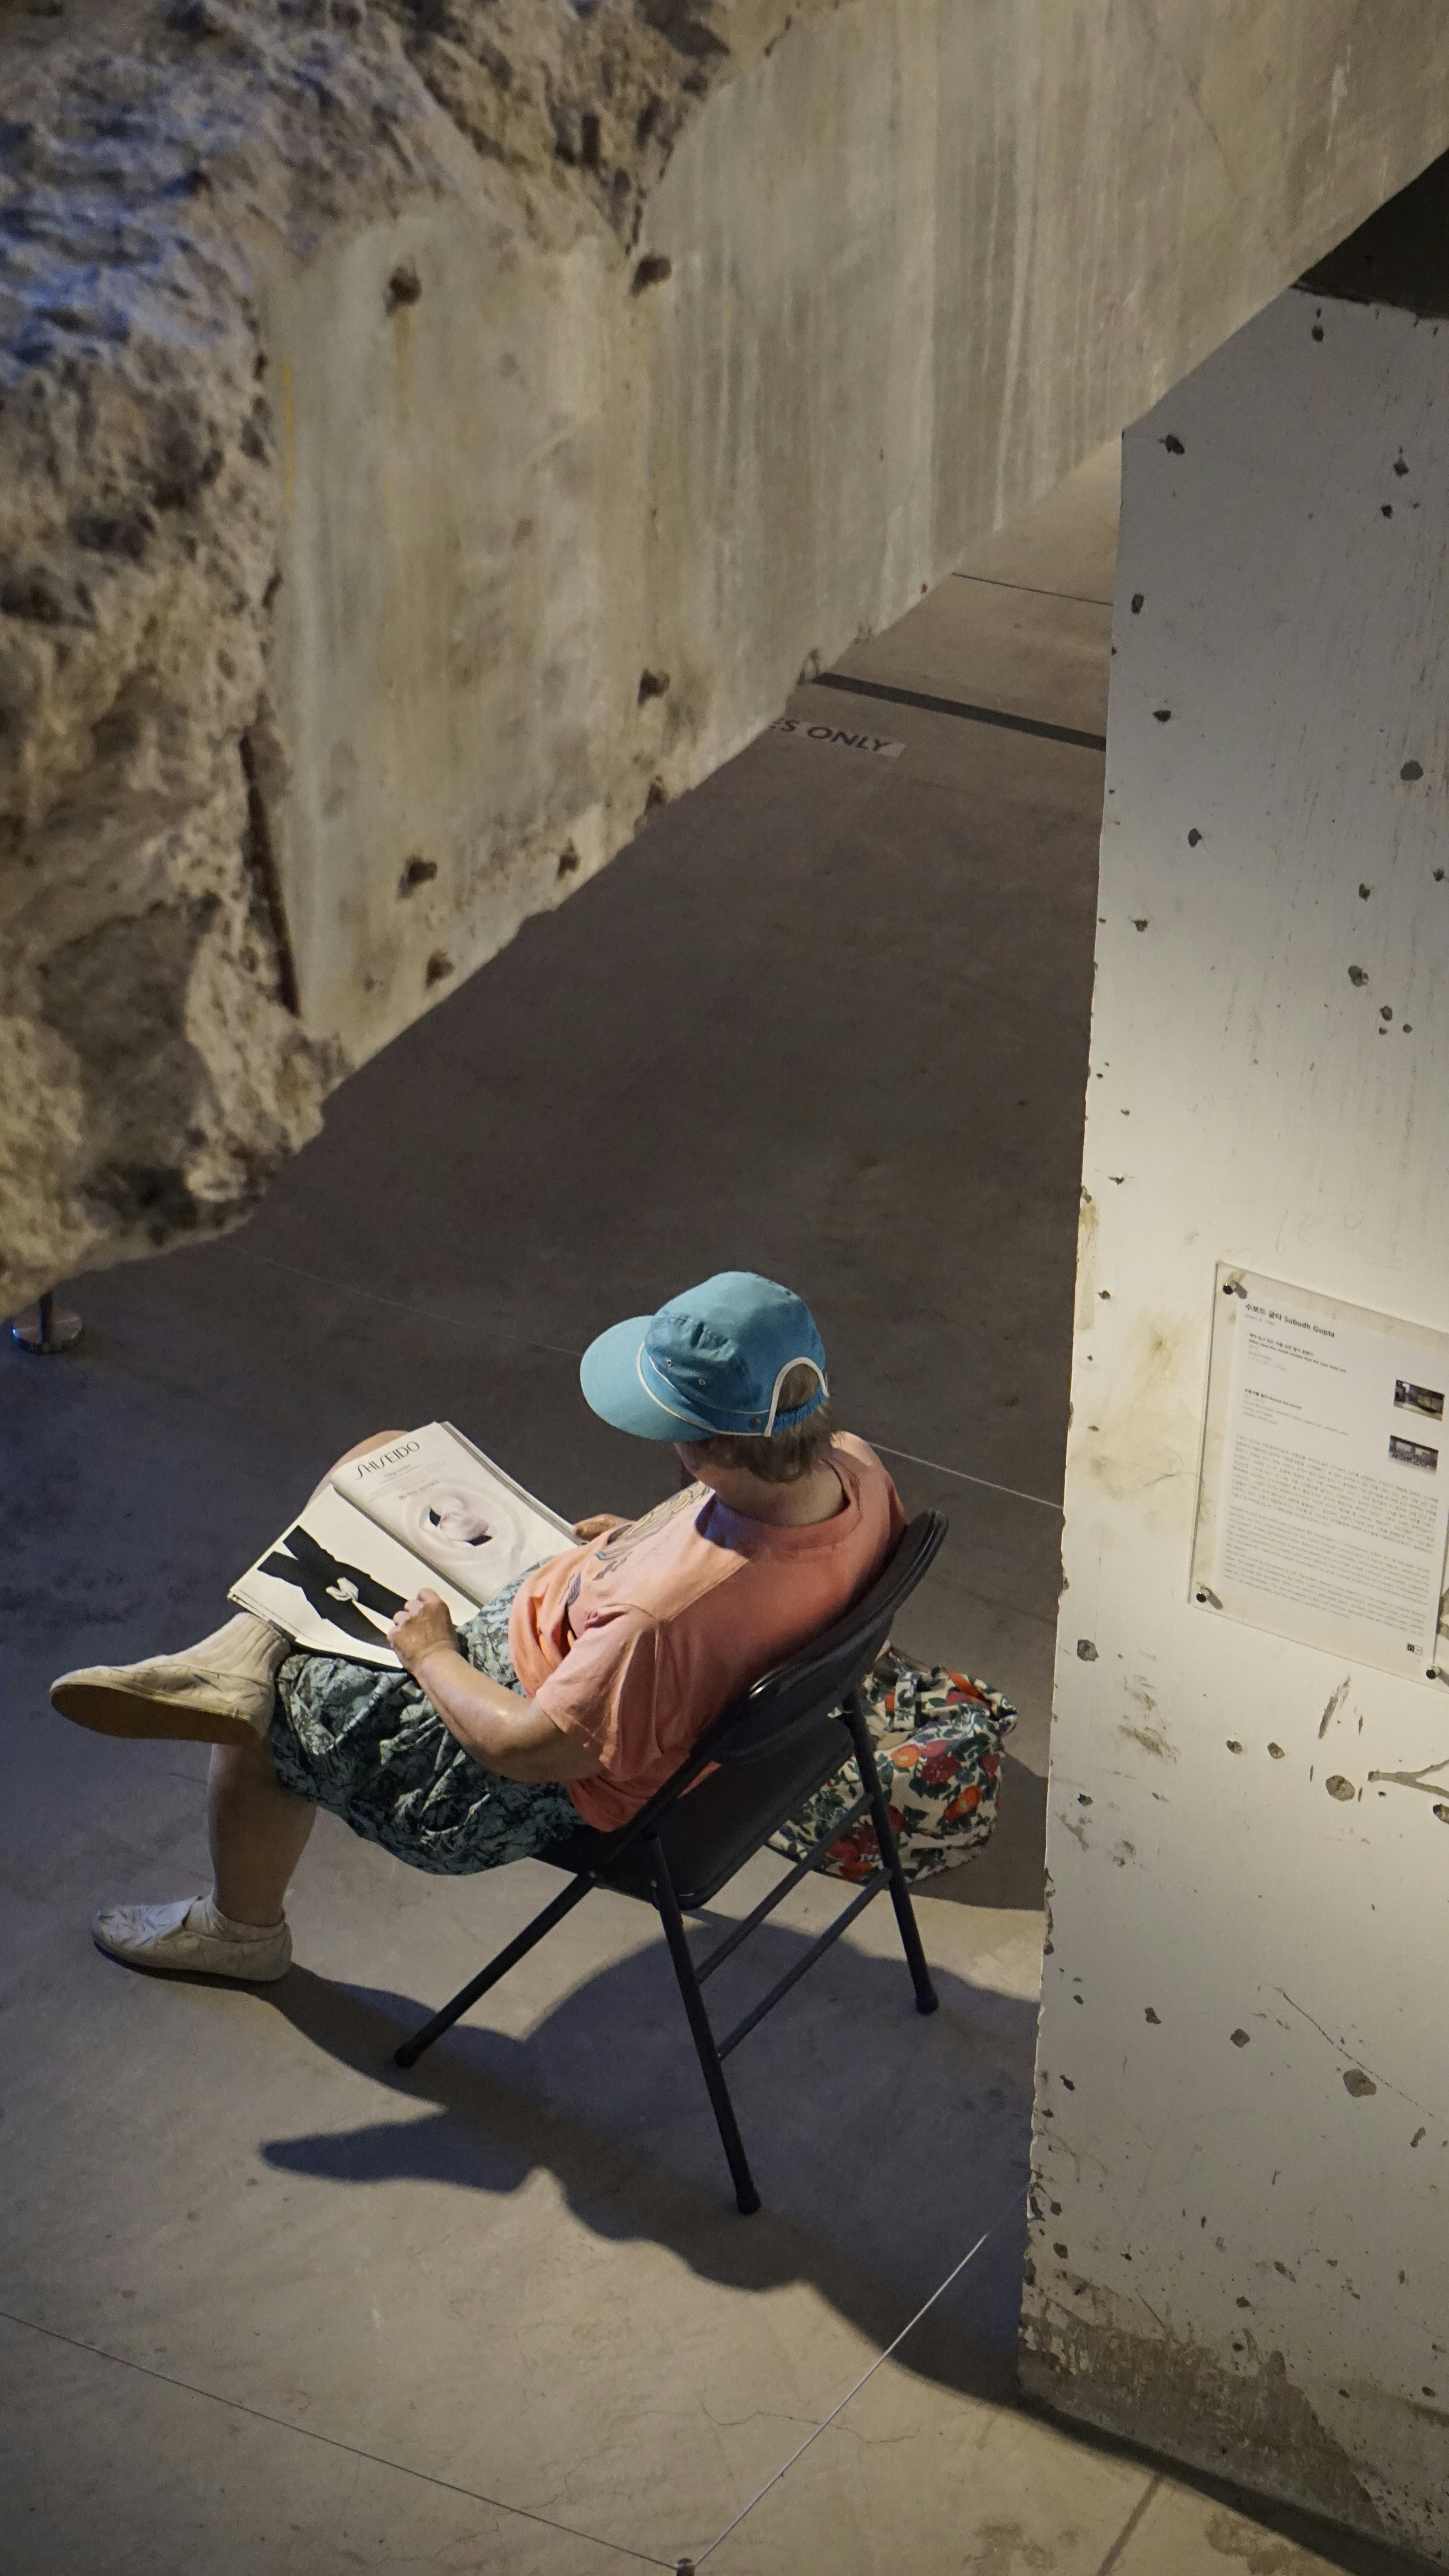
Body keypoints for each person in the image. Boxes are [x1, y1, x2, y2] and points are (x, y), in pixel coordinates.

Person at [53, 1273, 905, 1984]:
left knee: (268, 1712)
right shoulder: (854, 1467)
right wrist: (641, 1537)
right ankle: (229, 1656)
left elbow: (529, 1750)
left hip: (506, 1762)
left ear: (700, 1444)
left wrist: (428, 1656)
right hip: (586, 1627)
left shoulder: (663, 1617)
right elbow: (736, 1553)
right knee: (379, 1458)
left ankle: (239, 1929)